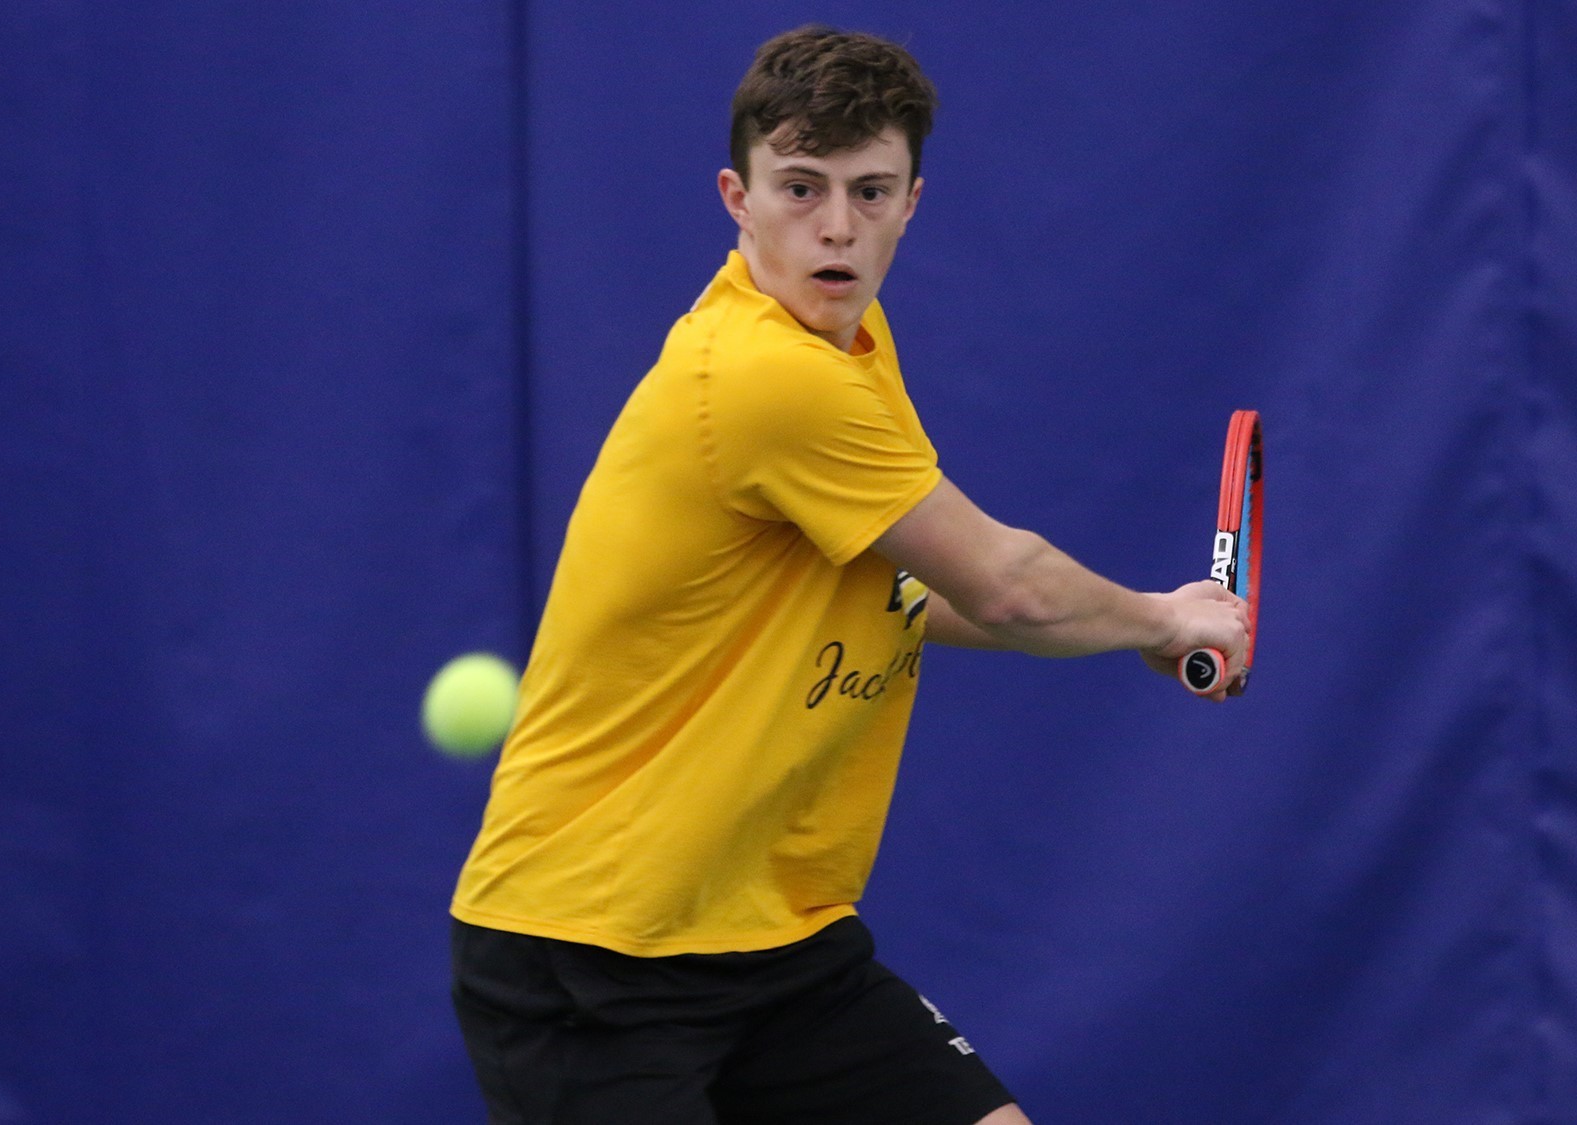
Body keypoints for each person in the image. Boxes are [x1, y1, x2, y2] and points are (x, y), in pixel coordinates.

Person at [450, 24, 1250, 1125]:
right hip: (591, 953)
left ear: (912, 201)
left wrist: (1137, 627)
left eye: (869, 192)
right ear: (735, 196)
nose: (835, 227)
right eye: (799, 188)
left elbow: (915, 597)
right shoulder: (766, 378)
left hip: (773, 936)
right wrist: (1159, 620)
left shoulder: (853, 342)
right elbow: (1006, 581)